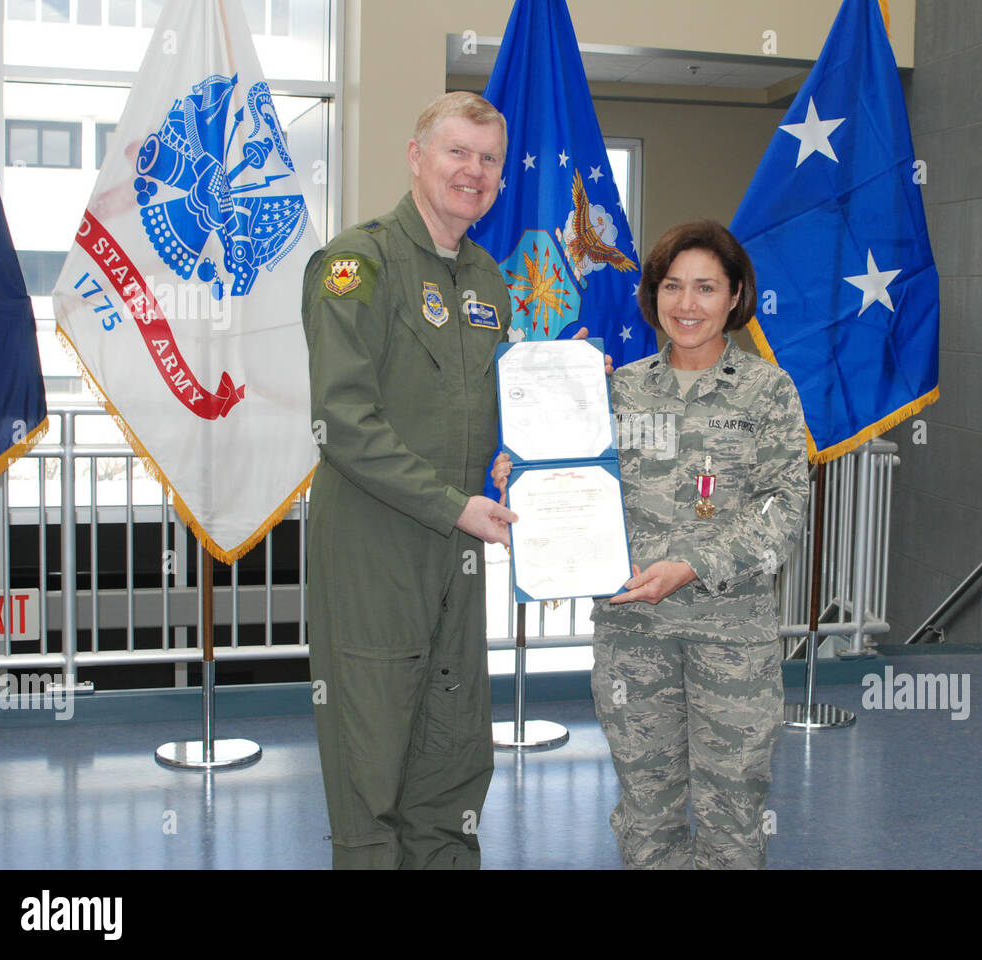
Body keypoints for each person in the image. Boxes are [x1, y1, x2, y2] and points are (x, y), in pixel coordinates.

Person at [494, 220, 810, 869]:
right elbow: (565, 478)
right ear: (652, 294)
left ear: (735, 296)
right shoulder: (617, 388)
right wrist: (521, 473)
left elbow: (784, 509)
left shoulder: (767, 390)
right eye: (672, 286)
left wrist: (692, 566)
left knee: (732, 812)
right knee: (646, 810)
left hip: (733, 644)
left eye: (705, 287)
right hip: (631, 640)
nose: (686, 304)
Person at [300, 91, 518, 870]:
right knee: (372, 762)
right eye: (457, 152)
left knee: (452, 754)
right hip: (374, 549)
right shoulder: (358, 265)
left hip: (458, 552)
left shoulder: (489, 280)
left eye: (488, 159)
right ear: (416, 156)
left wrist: (550, 403)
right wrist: (454, 506)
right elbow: (343, 422)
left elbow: (484, 412)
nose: (474, 172)